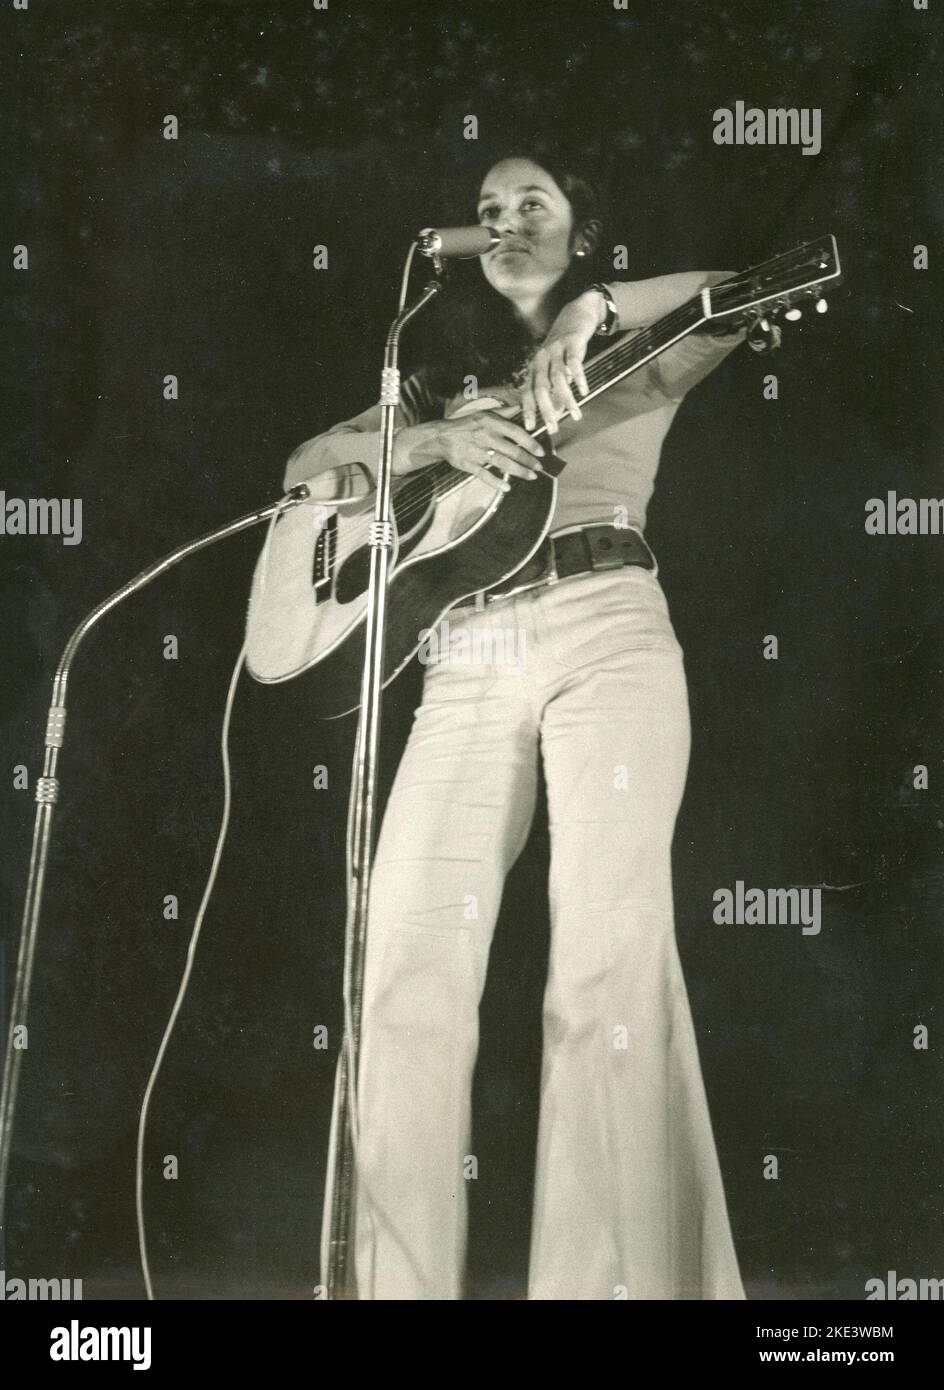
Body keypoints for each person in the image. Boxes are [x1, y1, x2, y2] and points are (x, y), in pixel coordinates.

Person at [282, 152, 748, 1300]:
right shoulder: (441, 381)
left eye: (529, 202)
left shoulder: (637, 346)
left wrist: (587, 312)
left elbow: (742, 284)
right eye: (487, 210)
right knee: (402, 962)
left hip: (607, 624)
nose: (500, 222)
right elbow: (304, 466)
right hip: (467, 653)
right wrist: (435, 443)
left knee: (604, 963)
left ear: (583, 231)